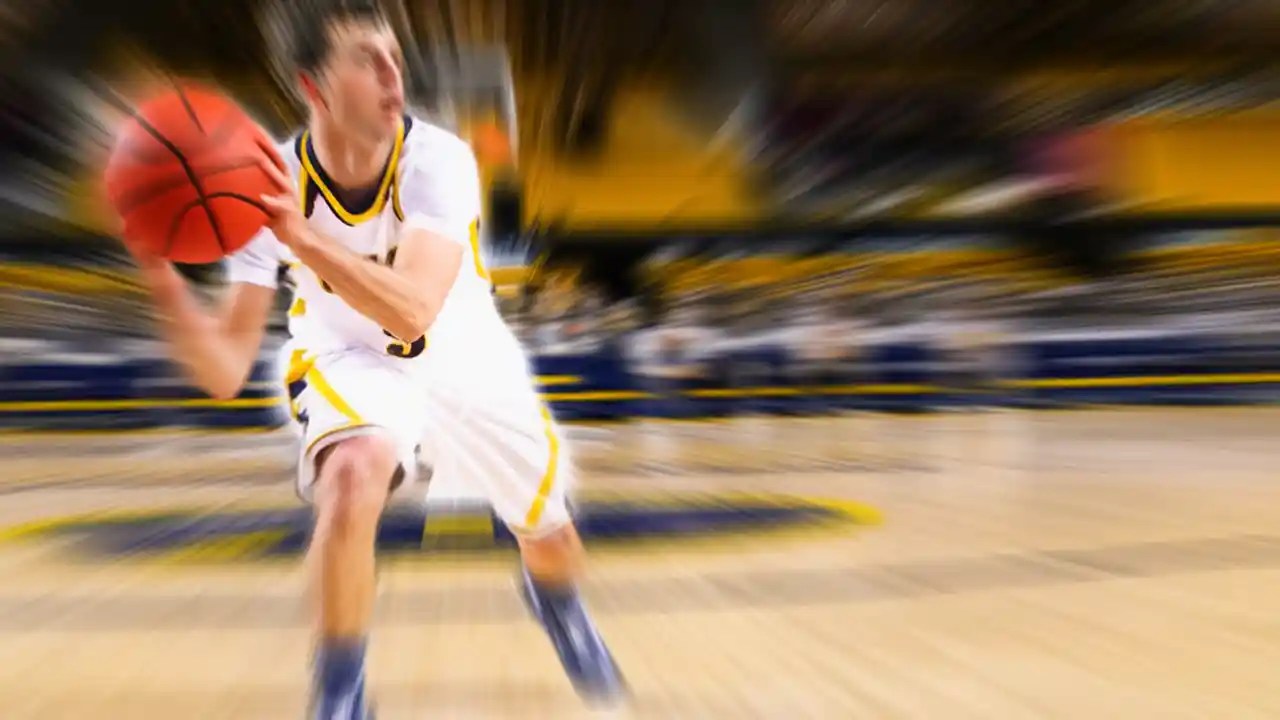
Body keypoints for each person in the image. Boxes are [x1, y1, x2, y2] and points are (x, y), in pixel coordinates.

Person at [123, 2, 624, 717]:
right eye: (368, 59)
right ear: (314, 85)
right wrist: (157, 268)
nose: (396, 75)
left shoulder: (440, 158)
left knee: (548, 534)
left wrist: (302, 237)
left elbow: (415, 310)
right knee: (352, 477)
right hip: (348, 356)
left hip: (464, 350)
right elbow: (225, 371)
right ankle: (341, 693)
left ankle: (561, 609)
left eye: (394, 56)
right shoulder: (259, 184)